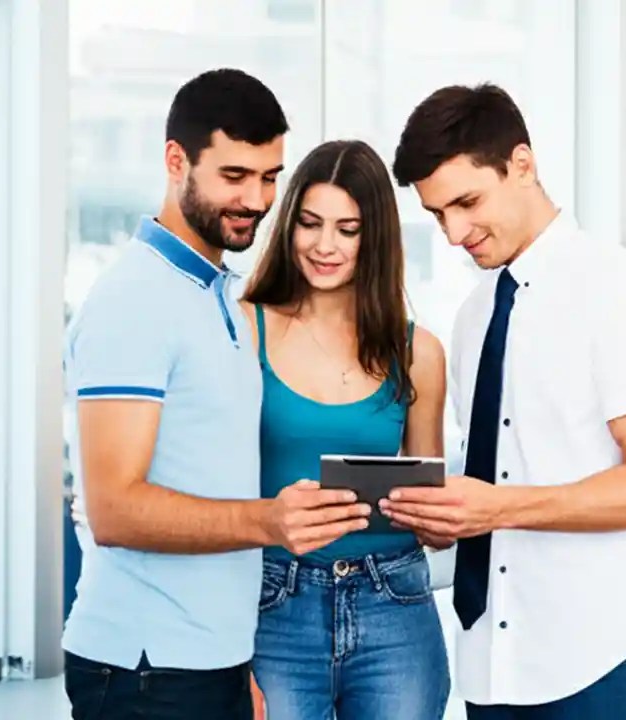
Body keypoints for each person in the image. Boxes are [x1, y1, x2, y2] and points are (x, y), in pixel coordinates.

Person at [61, 68, 372, 720]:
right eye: (234, 177)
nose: (257, 199)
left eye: (269, 176)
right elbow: (114, 509)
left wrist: (240, 662)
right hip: (144, 671)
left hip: (208, 664)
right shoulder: (134, 300)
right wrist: (270, 521)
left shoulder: (216, 294)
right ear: (176, 161)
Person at [385, 83, 626, 719]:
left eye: (467, 203)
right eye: (438, 214)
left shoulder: (619, 290)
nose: (454, 232)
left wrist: (497, 508)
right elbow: (498, 467)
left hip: (601, 658)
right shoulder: (473, 317)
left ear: (522, 164)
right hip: (493, 665)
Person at [239, 139, 451, 720]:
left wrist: (441, 520)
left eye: (347, 229)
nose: (324, 246)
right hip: (274, 598)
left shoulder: (419, 353)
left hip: (395, 603)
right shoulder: (244, 329)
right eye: (309, 223)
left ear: (374, 238)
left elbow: (427, 500)